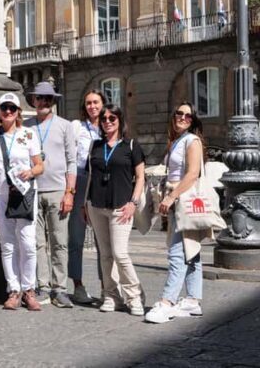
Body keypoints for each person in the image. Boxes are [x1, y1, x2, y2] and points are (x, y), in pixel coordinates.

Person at [0, 92, 44, 311]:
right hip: (0, 195)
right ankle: (13, 289)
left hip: (24, 193)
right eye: (4, 108)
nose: (8, 112)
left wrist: (30, 172)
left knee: (27, 242)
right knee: (7, 244)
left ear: (18, 113)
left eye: (12, 108)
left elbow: (40, 165)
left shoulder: (28, 134)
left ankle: (29, 289)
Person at [145, 102, 207, 324]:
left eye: (188, 116)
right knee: (191, 250)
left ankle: (167, 302)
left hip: (183, 201)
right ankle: (192, 299)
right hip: (180, 201)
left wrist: (171, 197)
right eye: (179, 113)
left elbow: (192, 174)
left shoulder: (192, 140)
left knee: (177, 253)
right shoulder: (178, 141)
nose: (182, 117)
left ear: (193, 121)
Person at [86, 104, 146, 317]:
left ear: (120, 120)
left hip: (121, 207)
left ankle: (134, 296)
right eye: (103, 118)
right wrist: (86, 203)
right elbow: (91, 176)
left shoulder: (130, 145)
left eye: (112, 118)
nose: (107, 121)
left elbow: (140, 177)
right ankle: (111, 296)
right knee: (105, 255)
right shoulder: (95, 145)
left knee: (120, 254)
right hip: (97, 205)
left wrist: (133, 202)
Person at [24, 81, 76, 308]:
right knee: (36, 242)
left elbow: (72, 162)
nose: (43, 101)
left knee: (59, 242)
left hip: (57, 190)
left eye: (47, 98)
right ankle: (42, 286)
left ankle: (60, 288)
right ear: (34, 101)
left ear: (53, 101)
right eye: (39, 98)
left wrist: (69, 192)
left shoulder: (65, 126)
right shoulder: (26, 127)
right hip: (33, 190)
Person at [69, 89, 106, 305]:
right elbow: (71, 156)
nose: (92, 106)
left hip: (102, 184)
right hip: (81, 180)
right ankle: (78, 285)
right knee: (76, 236)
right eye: (89, 103)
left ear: (103, 104)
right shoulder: (77, 127)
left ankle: (105, 287)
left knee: (104, 239)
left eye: (96, 102)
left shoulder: (109, 125)